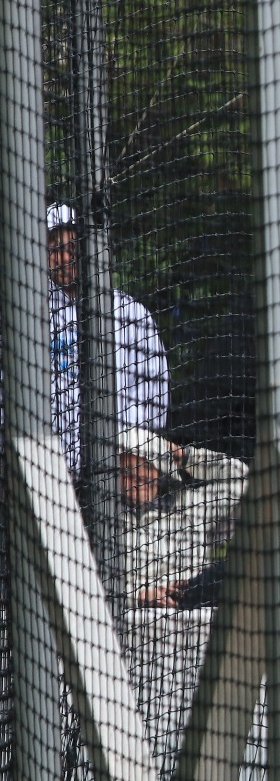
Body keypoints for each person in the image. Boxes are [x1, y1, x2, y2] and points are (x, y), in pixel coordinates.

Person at [43, 203, 168, 465]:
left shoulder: (129, 312)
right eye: (55, 249)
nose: (65, 258)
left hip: (123, 473)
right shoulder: (33, 318)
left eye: (72, 247)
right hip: (53, 476)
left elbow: (156, 394)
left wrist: (143, 458)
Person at [116, 427, 247, 609]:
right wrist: (138, 595)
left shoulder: (191, 505)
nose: (139, 476)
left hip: (197, 614)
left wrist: (186, 457)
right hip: (136, 620)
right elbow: (95, 582)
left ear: (159, 471)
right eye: (129, 470)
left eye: (147, 466)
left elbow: (242, 479)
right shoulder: (106, 523)